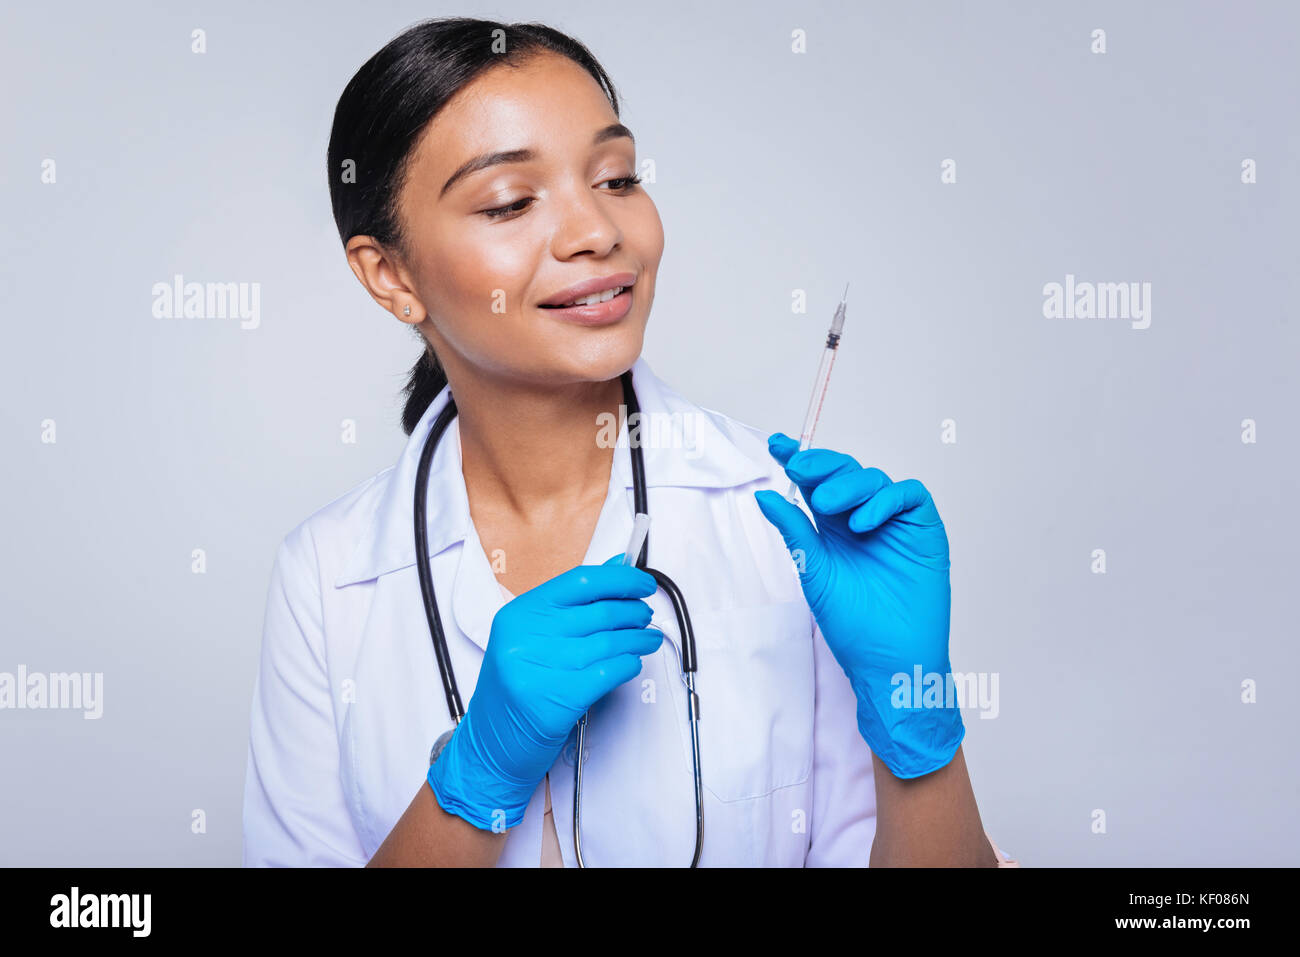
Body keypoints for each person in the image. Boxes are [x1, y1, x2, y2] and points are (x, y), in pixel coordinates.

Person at [241, 16, 1018, 868]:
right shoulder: (329, 577)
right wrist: (472, 781)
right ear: (390, 275)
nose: (596, 232)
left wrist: (918, 723)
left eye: (615, 179)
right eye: (510, 201)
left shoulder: (785, 525)